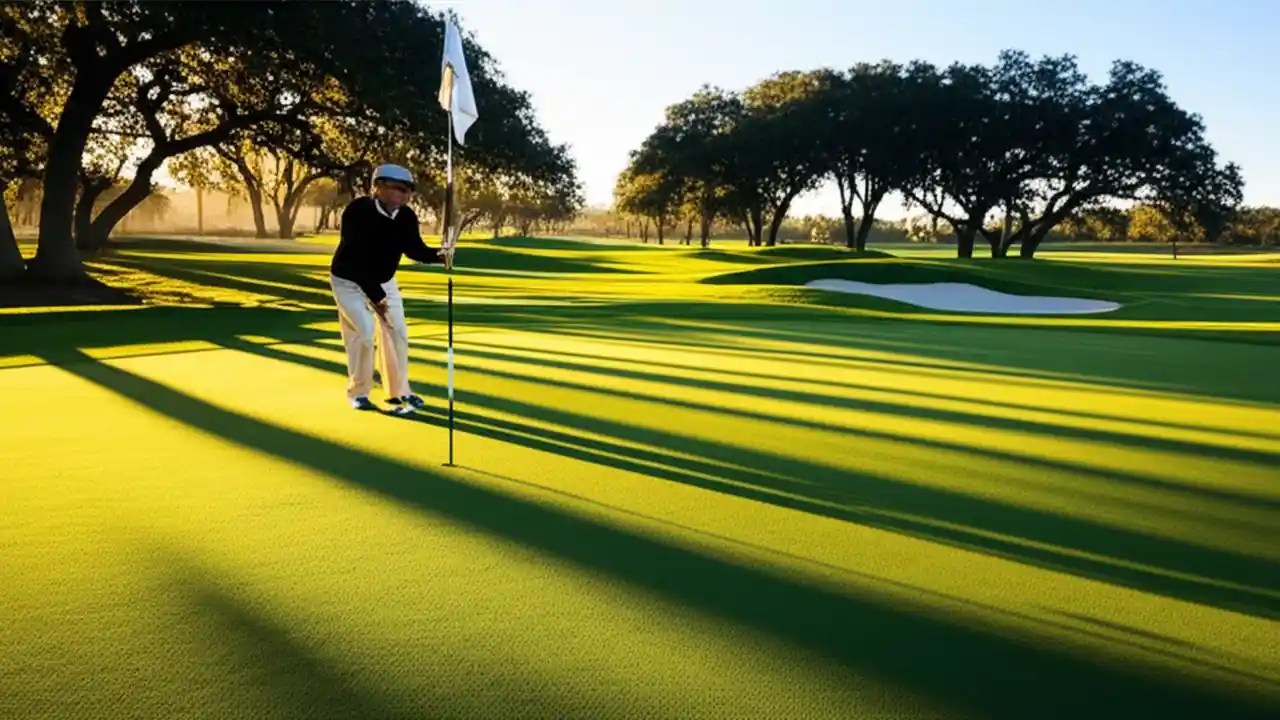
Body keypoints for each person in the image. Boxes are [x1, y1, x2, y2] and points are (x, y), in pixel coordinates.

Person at [329, 163, 451, 411]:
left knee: (398, 333)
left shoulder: (406, 216)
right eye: (398, 188)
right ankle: (358, 393)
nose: (404, 195)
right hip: (348, 280)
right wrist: (378, 300)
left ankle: (400, 392)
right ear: (379, 187)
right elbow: (358, 261)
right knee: (363, 333)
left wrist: (440, 255)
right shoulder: (358, 212)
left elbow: (414, 249)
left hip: (384, 280)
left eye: (408, 190)